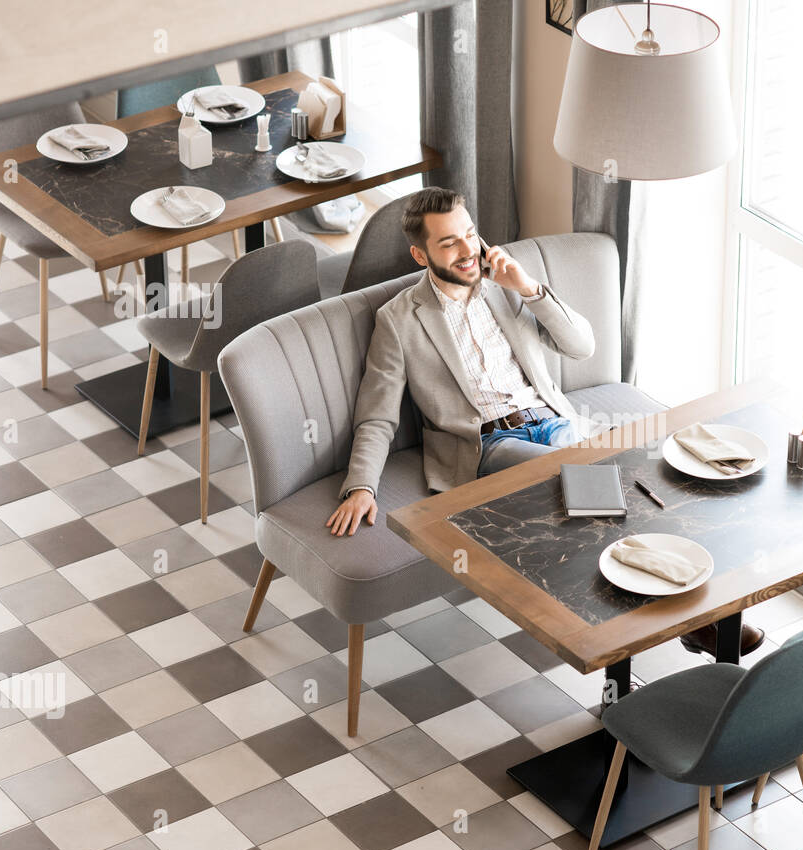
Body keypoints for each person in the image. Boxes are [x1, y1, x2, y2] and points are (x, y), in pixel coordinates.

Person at [326, 186, 763, 657]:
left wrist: (530, 289)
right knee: (591, 483)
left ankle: (684, 614)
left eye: (470, 234)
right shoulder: (399, 319)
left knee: (621, 490)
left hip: (555, 422)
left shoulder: (508, 286)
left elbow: (581, 346)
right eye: (448, 242)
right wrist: (361, 486)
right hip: (490, 443)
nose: (467, 249)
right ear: (420, 254)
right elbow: (377, 414)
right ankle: (687, 619)